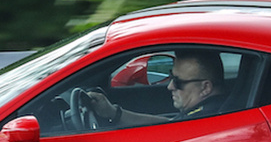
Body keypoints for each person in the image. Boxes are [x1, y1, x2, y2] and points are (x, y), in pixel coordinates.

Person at [83, 48, 226, 128]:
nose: (170, 86)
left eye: (178, 82)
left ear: (205, 87)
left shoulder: (206, 121)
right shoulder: (206, 112)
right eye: (171, 78)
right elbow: (170, 125)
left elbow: (171, 130)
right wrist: (114, 113)